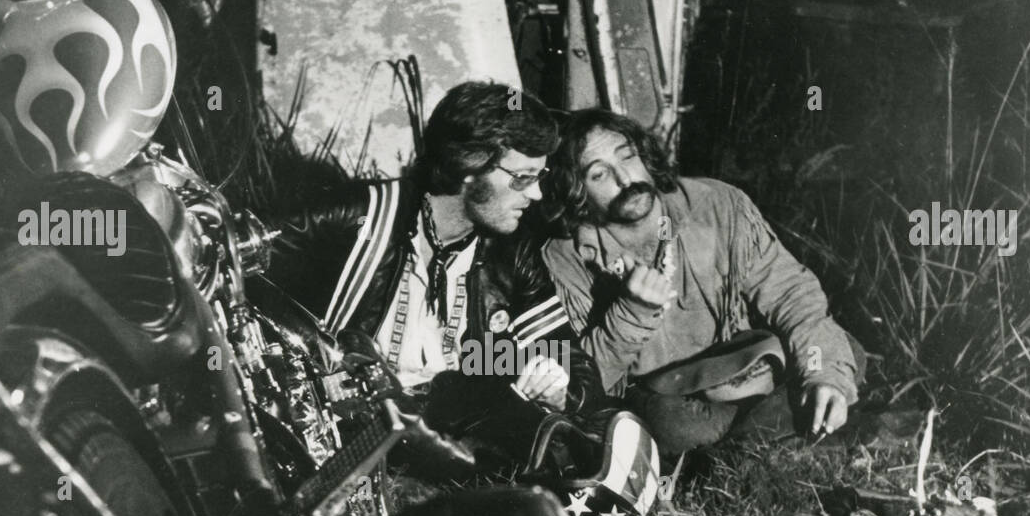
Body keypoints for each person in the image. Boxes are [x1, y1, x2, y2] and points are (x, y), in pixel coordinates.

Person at [262, 80, 605, 470]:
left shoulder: (509, 254)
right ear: (469, 165)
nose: (538, 195)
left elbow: (577, 369)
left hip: (443, 440)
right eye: (523, 178)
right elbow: (232, 263)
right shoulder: (360, 217)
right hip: (343, 436)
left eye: (539, 177)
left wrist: (560, 389)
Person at [541, 108, 866, 457]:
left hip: (738, 369)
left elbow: (791, 294)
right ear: (577, 191)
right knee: (671, 425)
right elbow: (584, 382)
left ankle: (733, 448)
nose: (625, 178)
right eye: (599, 174)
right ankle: (776, 435)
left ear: (644, 157)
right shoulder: (566, 257)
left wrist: (824, 377)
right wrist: (632, 314)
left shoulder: (715, 204)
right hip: (663, 399)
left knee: (842, 353)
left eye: (628, 157)